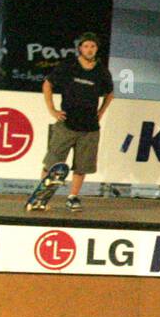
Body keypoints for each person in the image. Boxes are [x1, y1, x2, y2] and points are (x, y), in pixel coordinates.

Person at [41, 31, 114, 212]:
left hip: (89, 127)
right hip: (67, 123)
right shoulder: (69, 66)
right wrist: (52, 109)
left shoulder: (102, 71)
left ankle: (73, 197)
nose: (89, 49)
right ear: (80, 48)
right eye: (86, 46)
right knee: (52, 162)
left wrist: (101, 112)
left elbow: (110, 93)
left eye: (93, 46)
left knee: (82, 166)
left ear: (97, 49)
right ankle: (42, 196)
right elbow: (48, 83)